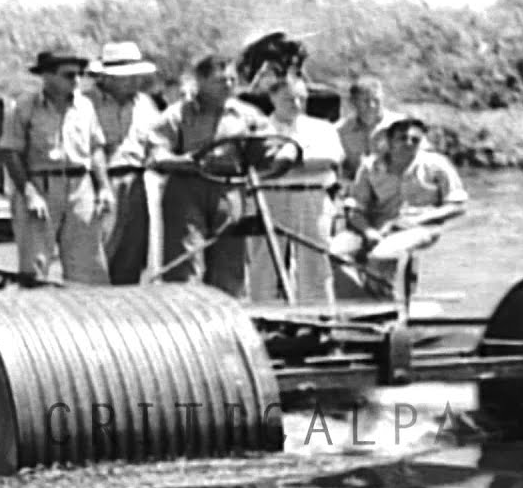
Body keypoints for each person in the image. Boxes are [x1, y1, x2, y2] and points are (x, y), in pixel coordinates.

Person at [147, 54, 285, 297]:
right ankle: (186, 319)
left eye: (232, 80)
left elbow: (269, 148)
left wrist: (276, 155)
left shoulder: (247, 115)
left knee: (230, 261)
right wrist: (184, 162)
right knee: (185, 258)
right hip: (187, 188)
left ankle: (228, 320)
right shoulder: (178, 114)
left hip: (229, 189)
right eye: (220, 81)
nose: (228, 86)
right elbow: (156, 154)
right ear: (200, 81)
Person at [0, 49, 116, 285]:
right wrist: (29, 193)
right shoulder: (24, 107)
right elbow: (11, 152)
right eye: (69, 75)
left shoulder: (85, 107)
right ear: (47, 76)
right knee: (35, 268)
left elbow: (95, 149)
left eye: (79, 74)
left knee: (88, 268)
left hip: (80, 188)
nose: (76, 80)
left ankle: (88, 320)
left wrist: (103, 187)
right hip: (41, 187)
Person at [330, 113, 469, 302]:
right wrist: (367, 231)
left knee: (382, 254)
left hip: (421, 226)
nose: (409, 143)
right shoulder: (370, 166)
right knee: (334, 252)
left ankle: (386, 304)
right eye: (402, 138)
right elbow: (356, 208)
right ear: (389, 141)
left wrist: (418, 219)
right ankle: (361, 301)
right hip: (377, 225)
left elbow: (458, 205)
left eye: (415, 140)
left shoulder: (436, 165)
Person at [247, 76, 344, 304]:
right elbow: (257, 164)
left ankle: (319, 319)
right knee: (265, 261)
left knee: (315, 261)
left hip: (312, 195)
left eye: (302, 98)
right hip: (270, 197)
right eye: (289, 99)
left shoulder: (321, 127)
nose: (297, 104)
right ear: (272, 98)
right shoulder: (259, 129)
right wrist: (297, 161)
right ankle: (265, 317)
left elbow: (330, 158)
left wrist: (288, 160)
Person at [85, 41, 161, 285]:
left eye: (135, 76)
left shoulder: (145, 104)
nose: (132, 82)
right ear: (106, 78)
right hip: (99, 181)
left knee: (134, 249)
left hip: (138, 181)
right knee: (100, 249)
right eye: (124, 77)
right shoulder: (85, 103)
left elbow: (156, 140)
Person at [335, 76, 395, 183]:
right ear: (353, 102)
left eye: (377, 100)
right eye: (366, 101)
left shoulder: (402, 127)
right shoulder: (341, 131)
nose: (372, 106)